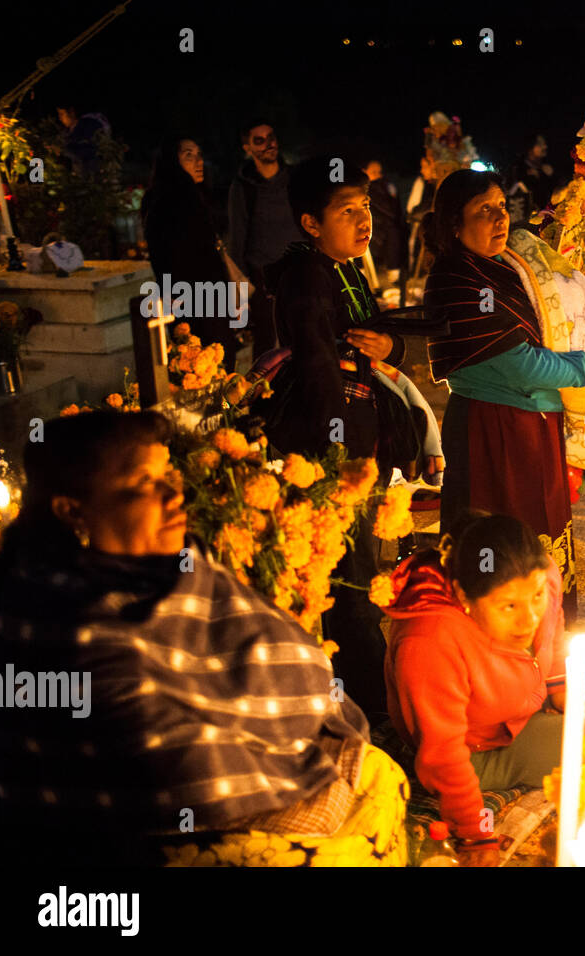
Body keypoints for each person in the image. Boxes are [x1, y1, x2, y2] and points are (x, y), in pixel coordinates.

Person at [0, 411, 406, 866]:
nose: (173, 494)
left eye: (168, 473)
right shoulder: (59, 624)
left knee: (380, 775)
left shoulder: (185, 564)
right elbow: (168, 763)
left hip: (278, 756)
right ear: (73, 509)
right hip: (160, 836)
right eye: (144, 482)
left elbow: (263, 645)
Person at [263, 156, 440, 724]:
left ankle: (360, 699)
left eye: (366, 207)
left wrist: (392, 350)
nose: (363, 220)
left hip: (357, 441)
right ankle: (371, 712)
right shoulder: (307, 277)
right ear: (311, 223)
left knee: (358, 570)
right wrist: (336, 454)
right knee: (349, 582)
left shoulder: (347, 270)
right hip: (330, 449)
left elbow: (376, 339)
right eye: (347, 210)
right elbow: (317, 365)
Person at [382, 512, 585, 867]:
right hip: (478, 741)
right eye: (508, 606)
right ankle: (531, 735)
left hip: (526, 683)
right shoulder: (430, 641)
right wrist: (474, 831)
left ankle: (544, 713)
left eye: (534, 597)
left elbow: (553, 629)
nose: (528, 619)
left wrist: (559, 684)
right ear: (462, 595)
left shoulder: (538, 573)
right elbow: (442, 752)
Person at [421, 170, 585, 622]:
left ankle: (544, 651)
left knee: (541, 536)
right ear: (453, 224)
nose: (499, 218)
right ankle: (493, 647)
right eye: (483, 210)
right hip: (493, 428)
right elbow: (517, 361)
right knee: (499, 543)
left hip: (533, 427)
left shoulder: (509, 266)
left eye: (502, 206)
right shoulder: (458, 280)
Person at [142, 136, 241, 370]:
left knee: (209, 365)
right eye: (188, 155)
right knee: (207, 366)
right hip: (195, 300)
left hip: (202, 298)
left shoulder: (193, 196)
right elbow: (169, 255)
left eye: (199, 155)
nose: (198, 162)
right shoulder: (171, 200)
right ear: (171, 161)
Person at [227, 120, 304, 355]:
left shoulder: (296, 179)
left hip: (301, 272)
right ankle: (265, 392)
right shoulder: (243, 188)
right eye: (258, 140)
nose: (268, 144)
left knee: (304, 339)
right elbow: (237, 236)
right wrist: (242, 287)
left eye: (270, 137)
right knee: (267, 348)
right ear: (247, 148)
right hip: (264, 279)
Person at [363, 159, 408, 281]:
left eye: (379, 172)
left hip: (387, 223)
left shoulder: (386, 185)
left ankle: (393, 274)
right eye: (373, 171)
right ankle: (363, 273)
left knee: (393, 233)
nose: (377, 175)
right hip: (370, 223)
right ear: (364, 171)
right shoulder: (362, 188)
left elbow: (393, 206)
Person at [507, 133, 555, 228]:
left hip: (547, 222)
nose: (545, 146)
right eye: (540, 144)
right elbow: (514, 198)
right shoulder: (517, 169)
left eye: (544, 143)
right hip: (525, 225)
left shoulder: (548, 170)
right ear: (529, 147)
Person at [56, 103, 112, 176]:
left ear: (71, 112)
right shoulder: (69, 131)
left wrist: (62, 150)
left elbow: (86, 152)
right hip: (80, 174)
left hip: (92, 175)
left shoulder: (88, 126)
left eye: (62, 114)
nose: (60, 118)